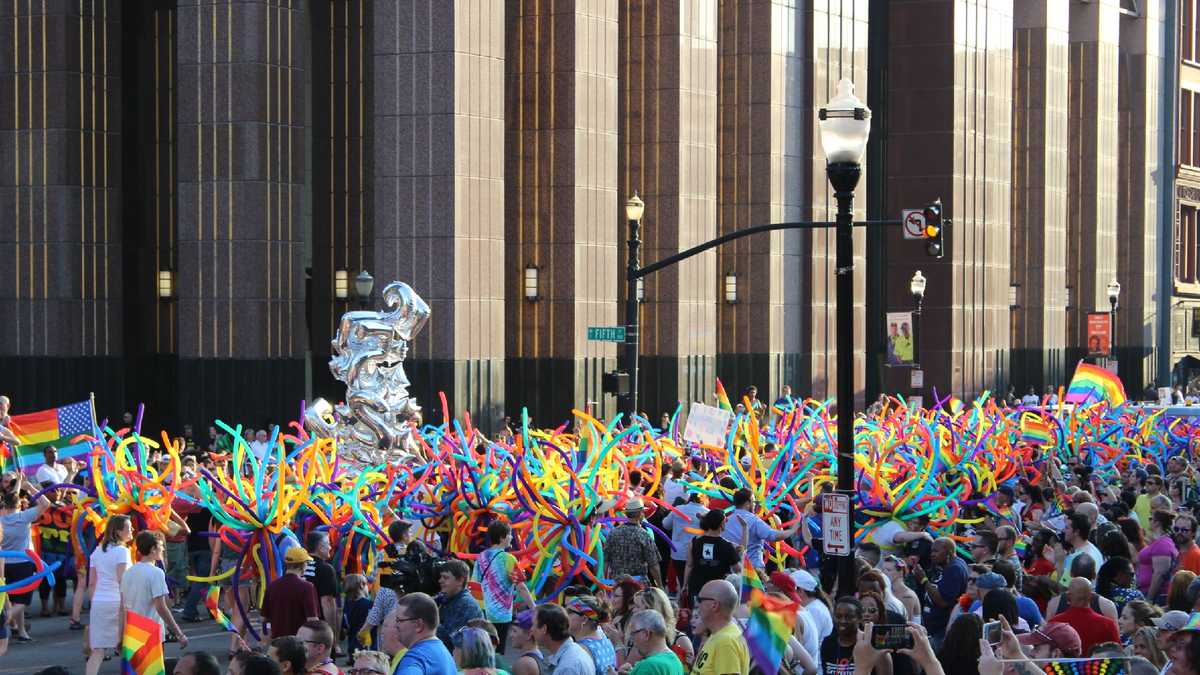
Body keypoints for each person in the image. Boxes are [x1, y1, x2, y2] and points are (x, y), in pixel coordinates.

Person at [0, 470, 52, 642]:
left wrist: (16, 488)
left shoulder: (1, 519)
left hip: (4, 564)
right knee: (22, 601)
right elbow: (46, 503)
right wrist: (28, 486)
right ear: (20, 504)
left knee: (11, 600)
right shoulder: (24, 516)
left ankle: (21, 632)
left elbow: (10, 502)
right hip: (23, 563)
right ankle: (5, 622)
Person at [471, 520, 536, 652]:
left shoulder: (481, 557)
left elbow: (474, 585)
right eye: (509, 534)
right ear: (502, 537)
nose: (511, 537)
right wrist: (534, 608)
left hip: (483, 613)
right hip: (501, 615)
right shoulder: (509, 559)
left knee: (484, 651)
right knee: (498, 652)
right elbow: (521, 587)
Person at [121, 531, 189, 647]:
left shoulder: (128, 572)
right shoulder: (156, 573)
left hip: (133, 630)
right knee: (154, 666)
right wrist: (179, 633)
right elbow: (161, 607)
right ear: (153, 549)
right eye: (161, 546)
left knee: (137, 665)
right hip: (151, 630)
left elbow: (124, 605)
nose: (163, 549)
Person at [86, 514, 134, 675]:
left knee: (97, 651)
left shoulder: (96, 552)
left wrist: (95, 602)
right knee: (126, 648)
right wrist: (125, 606)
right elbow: (123, 582)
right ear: (119, 532)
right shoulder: (122, 552)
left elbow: (91, 584)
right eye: (128, 527)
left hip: (99, 602)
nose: (132, 530)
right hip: (118, 602)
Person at [721, 489, 801, 570]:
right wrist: (792, 530)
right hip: (753, 571)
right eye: (754, 501)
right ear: (747, 503)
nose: (755, 505)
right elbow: (774, 536)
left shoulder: (726, 520)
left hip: (732, 569)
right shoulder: (753, 520)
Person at [911, 537, 969, 646]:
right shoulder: (947, 565)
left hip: (941, 629)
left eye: (936, 551)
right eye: (932, 551)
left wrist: (923, 580)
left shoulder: (955, 569)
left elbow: (942, 602)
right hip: (933, 626)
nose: (932, 554)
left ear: (949, 553)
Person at [386, 593, 458, 675]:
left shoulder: (416, 658)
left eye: (399, 620)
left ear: (418, 625)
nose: (396, 625)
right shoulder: (444, 653)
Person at [691, 580, 748, 675]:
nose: (697, 605)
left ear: (714, 605)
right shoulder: (720, 634)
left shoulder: (726, 641)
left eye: (700, 600)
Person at [262, 547, 320, 639]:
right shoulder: (307, 587)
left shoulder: (272, 586)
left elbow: (265, 618)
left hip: (278, 642)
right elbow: (312, 619)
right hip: (299, 642)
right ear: (303, 565)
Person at [1052, 577, 1121, 656]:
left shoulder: (1054, 624)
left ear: (1068, 596)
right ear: (1092, 596)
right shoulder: (1108, 625)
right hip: (1098, 668)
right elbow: (1118, 656)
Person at [682, 510, 739, 605]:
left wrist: (685, 585)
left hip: (697, 588)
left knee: (697, 616)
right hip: (719, 591)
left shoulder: (694, 541)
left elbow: (689, 565)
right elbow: (737, 569)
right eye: (725, 520)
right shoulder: (728, 546)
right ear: (721, 523)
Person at [602, 499, 662, 586]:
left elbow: (605, 561)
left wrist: (605, 584)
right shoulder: (644, 535)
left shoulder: (613, 533)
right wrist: (660, 585)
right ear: (640, 513)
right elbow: (653, 565)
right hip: (638, 585)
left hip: (618, 584)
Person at [661, 492, 706, 595]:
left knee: (682, 579)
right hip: (697, 552)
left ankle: (683, 599)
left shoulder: (678, 509)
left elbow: (666, 525)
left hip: (678, 552)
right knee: (694, 583)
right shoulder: (707, 512)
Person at [435, 559, 484, 650]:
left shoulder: (466, 605)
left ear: (460, 580)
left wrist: (430, 622)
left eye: (445, 578)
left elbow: (453, 641)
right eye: (441, 577)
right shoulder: (448, 599)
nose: (440, 581)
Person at [533, 604, 596, 675]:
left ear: (544, 629)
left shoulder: (567, 667)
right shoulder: (574, 652)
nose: (531, 629)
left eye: (533, 624)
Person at [305, 530, 342, 645]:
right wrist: (332, 635)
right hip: (318, 629)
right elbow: (328, 602)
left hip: (298, 626)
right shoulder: (326, 569)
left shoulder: (298, 565)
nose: (330, 547)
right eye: (328, 544)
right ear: (321, 548)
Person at [565, 596, 616, 675]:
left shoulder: (581, 650)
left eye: (569, 612)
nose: (564, 615)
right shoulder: (605, 640)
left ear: (585, 619)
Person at [624, 609, 685, 675]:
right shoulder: (675, 660)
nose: (632, 639)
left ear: (646, 634)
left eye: (633, 634)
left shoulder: (649, 666)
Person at [1138, 510, 1179, 603]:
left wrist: (1149, 598)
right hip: (1148, 592)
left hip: (1157, 596)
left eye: (1150, 519)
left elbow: (1159, 574)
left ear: (1157, 523)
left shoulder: (1163, 544)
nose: (1149, 521)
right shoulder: (1159, 541)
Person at [1059, 512, 1104, 589]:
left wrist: (1058, 562)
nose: (1063, 530)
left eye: (1067, 528)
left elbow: (1063, 587)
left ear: (1076, 532)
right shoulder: (1094, 549)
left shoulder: (1076, 558)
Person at [344, 573, 374, 657]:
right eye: (367, 585)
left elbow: (345, 626)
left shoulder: (347, 605)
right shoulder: (369, 604)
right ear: (362, 585)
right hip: (367, 647)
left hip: (352, 648)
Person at [508, 609, 544, 675]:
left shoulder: (524, 664)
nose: (511, 635)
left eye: (514, 631)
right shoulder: (538, 654)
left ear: (528, 635)